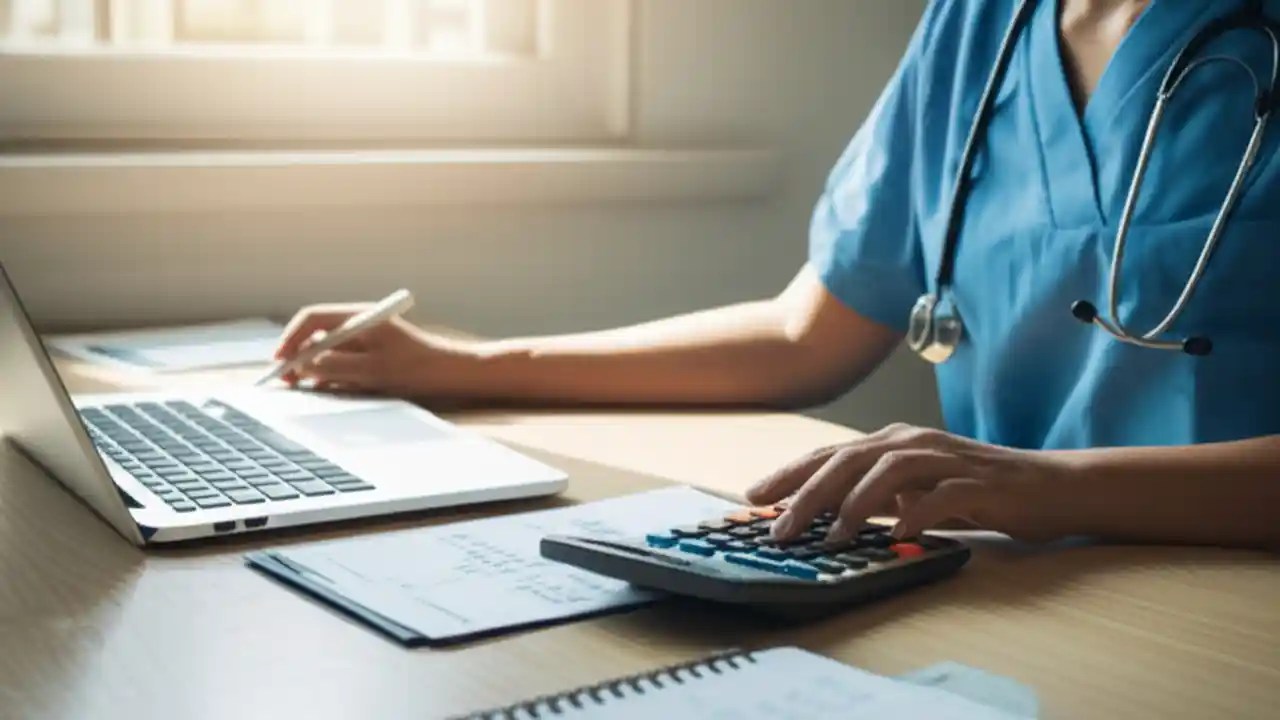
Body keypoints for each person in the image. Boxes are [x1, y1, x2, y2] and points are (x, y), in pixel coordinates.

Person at [275, 0, 1280, 551]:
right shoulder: (978, 25)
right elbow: (804, 336)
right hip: (1010, 583)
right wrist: (464, 365)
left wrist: (1051, 487)